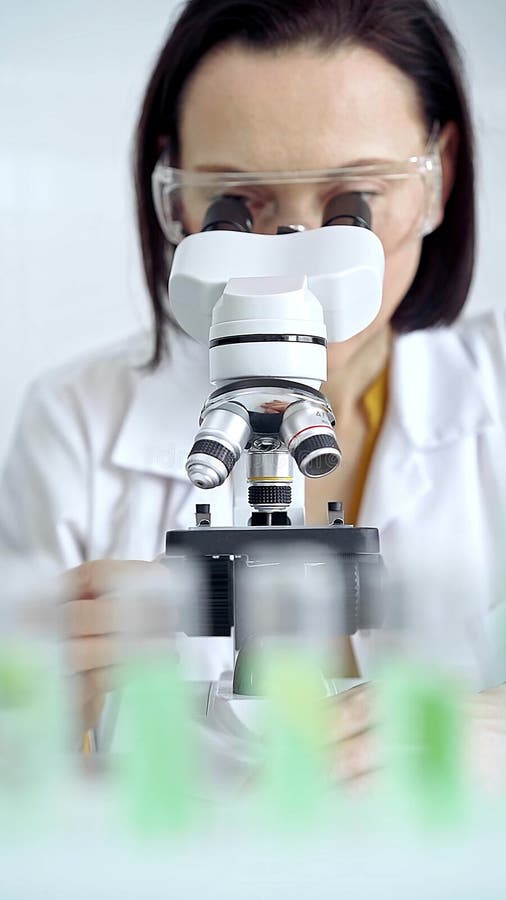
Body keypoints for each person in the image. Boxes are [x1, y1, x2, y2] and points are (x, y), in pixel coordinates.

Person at [1, 0, 505, 779]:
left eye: (354, 203)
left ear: (439, 179)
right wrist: (39, 713)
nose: (296, 257)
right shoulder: (74, 423)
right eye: (241, 204)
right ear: (176, 198)